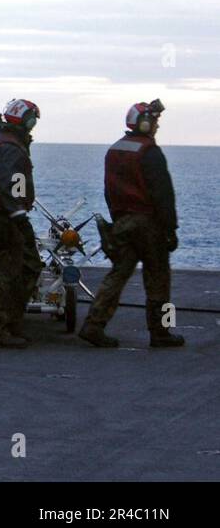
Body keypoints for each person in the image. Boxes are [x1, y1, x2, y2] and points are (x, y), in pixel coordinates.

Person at [79, 100, 185, 348]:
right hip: (148, 224)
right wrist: (170, 229)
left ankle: (93, 325)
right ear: (144, 123)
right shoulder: (150, 152)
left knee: (117, 275)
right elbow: (163, 194)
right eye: (154, 121)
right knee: (158, 277)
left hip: (123, 223)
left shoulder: (115, 150)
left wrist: (119, 220)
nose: (157, 125)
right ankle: (161, 332)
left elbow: (108, 190)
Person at [0, 99, 43, 349]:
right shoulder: (12, 148)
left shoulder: (4, 142)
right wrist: (20, 217)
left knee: (24, 268)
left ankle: (10, 323)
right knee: (6, 275)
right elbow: (11, 187)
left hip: (2, 218)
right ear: (26, 120)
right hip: (7, 220)